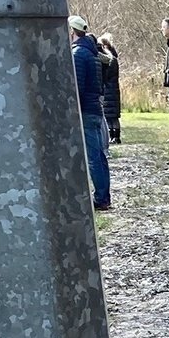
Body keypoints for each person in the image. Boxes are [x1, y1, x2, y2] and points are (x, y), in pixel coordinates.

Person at [70, 15, 112, 211]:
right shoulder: (92, 52)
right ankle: (104, 195)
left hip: (86, 110)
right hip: (95, 109)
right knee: (99, 156)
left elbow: (76, 87)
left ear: (72, 32)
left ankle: (101, 198)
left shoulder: (79, 54)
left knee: (93, 157)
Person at [99, 34, 122, 144]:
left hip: (110, 89)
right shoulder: (113, 58)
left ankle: (115, 136)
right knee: (111, 116)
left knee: (112, 116)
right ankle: (113, 136)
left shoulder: (111, 59)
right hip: (112, 89)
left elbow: (108, 74)